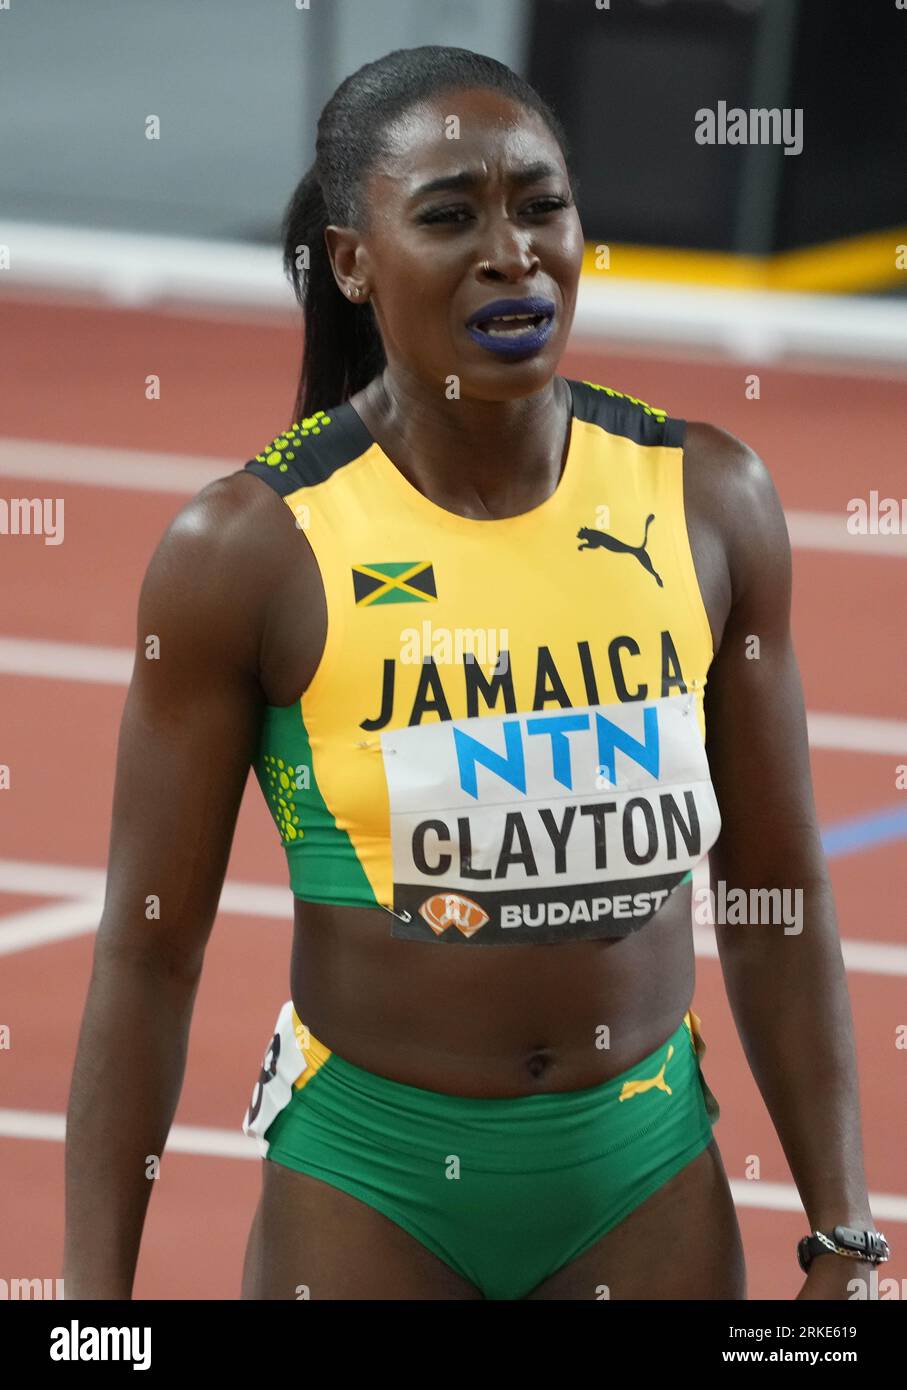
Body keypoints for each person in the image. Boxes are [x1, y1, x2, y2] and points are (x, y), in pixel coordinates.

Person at [64, 45, 886, 1301]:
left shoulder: (708, 498)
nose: (512, 252)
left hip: (643, 1173)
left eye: (540, 205)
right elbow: (147, 951)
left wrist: (844, 1237)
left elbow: (774, 886)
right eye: (450, 216)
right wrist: (88, 1316)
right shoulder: (248, 548)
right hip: (370, 1186)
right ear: (352, 261)